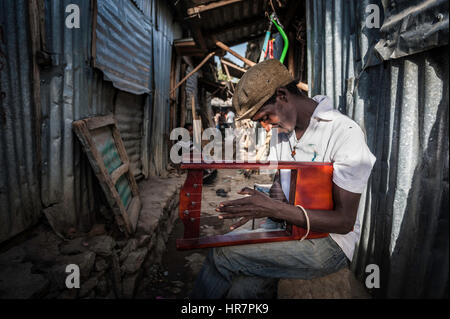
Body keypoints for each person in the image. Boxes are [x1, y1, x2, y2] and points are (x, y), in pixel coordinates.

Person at [190, 59, 376, 299]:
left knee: (223, 254)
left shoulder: (343, 132)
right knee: (243, 289)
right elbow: (281, 186)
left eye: (265, 118)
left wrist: (274, 209)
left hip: (328, 245)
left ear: (282, 95)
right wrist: (264, 205)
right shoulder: (283, 134)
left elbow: (343, 222)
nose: (266, 128)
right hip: (288, 227)